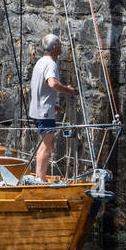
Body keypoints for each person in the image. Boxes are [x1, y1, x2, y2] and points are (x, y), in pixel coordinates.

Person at [29, 33, 76, 182]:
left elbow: (41, 88)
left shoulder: (40, 62)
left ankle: (39, 177)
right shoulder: (51, 64)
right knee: (47, 147)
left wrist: (52, 105)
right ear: (55, 47)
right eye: (60, 44)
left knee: (44, 145)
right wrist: (68, 90)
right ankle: (40, 180)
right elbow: (52, 84)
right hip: (43, 113)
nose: (61, 47)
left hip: (38, 110)